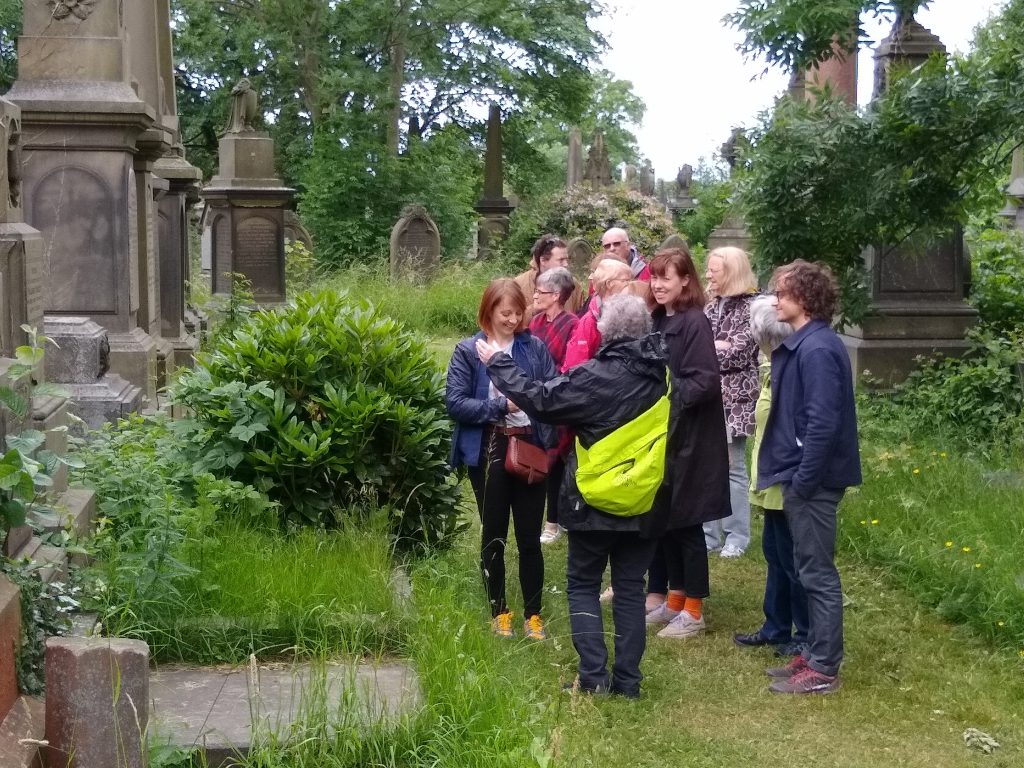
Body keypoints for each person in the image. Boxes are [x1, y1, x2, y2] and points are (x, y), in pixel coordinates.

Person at [476, 295, 667, 698]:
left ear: (603, 331)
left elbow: (543, 400)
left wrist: (499, 364)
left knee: (583, 583)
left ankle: (594, 679)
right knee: (631, 588)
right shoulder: (665, 376)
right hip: (646, 498)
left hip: (594, 499)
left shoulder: (594, 375)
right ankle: (629, 683)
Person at [756, 260, 861, 695]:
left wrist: (804, 480)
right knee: (806, 567)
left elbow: (822, 423)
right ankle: (814, 654)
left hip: (813, 481)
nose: (775, 300)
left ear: (803, 298)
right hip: (805, 477)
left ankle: (824, 668)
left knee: (817, 573)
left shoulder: (817, 349)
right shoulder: (808, 343)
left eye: (781, 293)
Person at [445, 279, 557, 640]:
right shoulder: (468, 350)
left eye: (518, 313)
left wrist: (532, 403)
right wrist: (500, 406)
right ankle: (499, 612)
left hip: (529, 446)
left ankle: (533, 614)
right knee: (493, 533)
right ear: (489, 310)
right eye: (505, 313)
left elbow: (552, 389)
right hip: (489, 449)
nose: (512, 320)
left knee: (529, 536)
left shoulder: (534, 348)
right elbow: (455, 402)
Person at [643, 246, 730, 639]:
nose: (659, 284)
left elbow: (705, 381)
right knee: (667, 521)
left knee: (688, 523)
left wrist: (665, 398)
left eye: (667, 277)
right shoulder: (658, 319)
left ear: (685, 280)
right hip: (663, 437)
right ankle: (674, 599)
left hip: (691, 439)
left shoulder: (695, 322)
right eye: (655, 277)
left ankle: (694, 611)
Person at [732, 295, 809, 658]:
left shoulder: (789, 371)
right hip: (769, 479)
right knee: (774, 554)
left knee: (794, 561)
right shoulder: (772, 368)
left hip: (787, 480)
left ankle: (804, 632)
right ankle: (776, 626)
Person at [702, 247, 760, 558]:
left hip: (735, 397)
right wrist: (715, 346)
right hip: (707, 394)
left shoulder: (751, 307)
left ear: (733, 273)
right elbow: (696, 347)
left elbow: (738, 352)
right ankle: (709, 535)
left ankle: (737, 536)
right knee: (708, 465)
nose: (708, 275)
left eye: (715, 270)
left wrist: (713, 348)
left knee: (732, 466)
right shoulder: (712, 306)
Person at [529, 267, 580, 545]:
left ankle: (554, 522)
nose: (535, 295)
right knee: (538, 456)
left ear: (557, 295)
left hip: (559, 400)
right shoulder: (535, 322)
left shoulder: (572, 323)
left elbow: (570, 364)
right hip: (534, 400)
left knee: (558, 460)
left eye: (541, 291)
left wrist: (550, 385)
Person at [563, 258, 632, 371]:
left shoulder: (624, 309)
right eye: (625, 280)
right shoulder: (591, 321)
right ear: (609, 284)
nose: (630, 284)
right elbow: (576, 363)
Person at [514, 235, 585, 322]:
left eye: (567, 260)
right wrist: (536, 308)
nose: (566, 264)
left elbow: (581, 319)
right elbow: (511, 322)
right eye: (561, 260)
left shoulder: (573, 285)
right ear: (543, 261)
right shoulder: (518, 285)